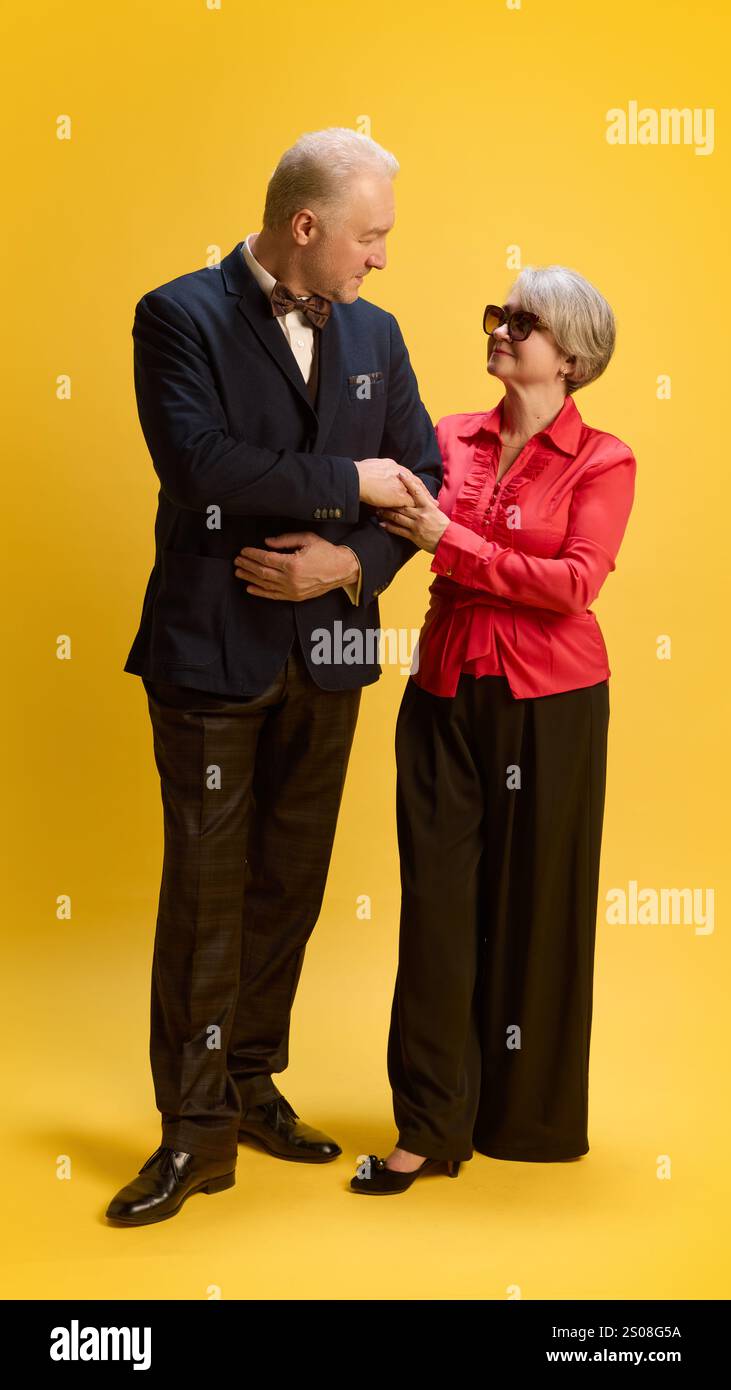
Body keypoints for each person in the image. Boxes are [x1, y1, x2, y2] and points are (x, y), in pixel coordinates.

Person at [106, 127, 442, 1225]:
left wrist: (351, 557)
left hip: (335, 647)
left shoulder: (377, 333)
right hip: (210, 650)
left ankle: (251, 1085)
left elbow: (424, 480)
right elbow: (199, 462)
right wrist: (351, 478)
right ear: (305, 228)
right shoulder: (178, 315)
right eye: (369, 236)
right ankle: (193, 1137)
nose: (379, 258)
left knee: (287, 887)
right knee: (205, 901)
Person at [351, 266, 637, 1194]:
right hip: (443, 689)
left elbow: (573, 585)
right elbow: (395, 526)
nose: (503, 330)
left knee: (537, 905)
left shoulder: (604, 460)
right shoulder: (447, 437)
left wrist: (452, 542)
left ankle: (530, 1119)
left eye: (526, 322)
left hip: (553, 702)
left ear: (574, 356)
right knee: (436, 908)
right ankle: (429, 1127)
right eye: (501, 315)